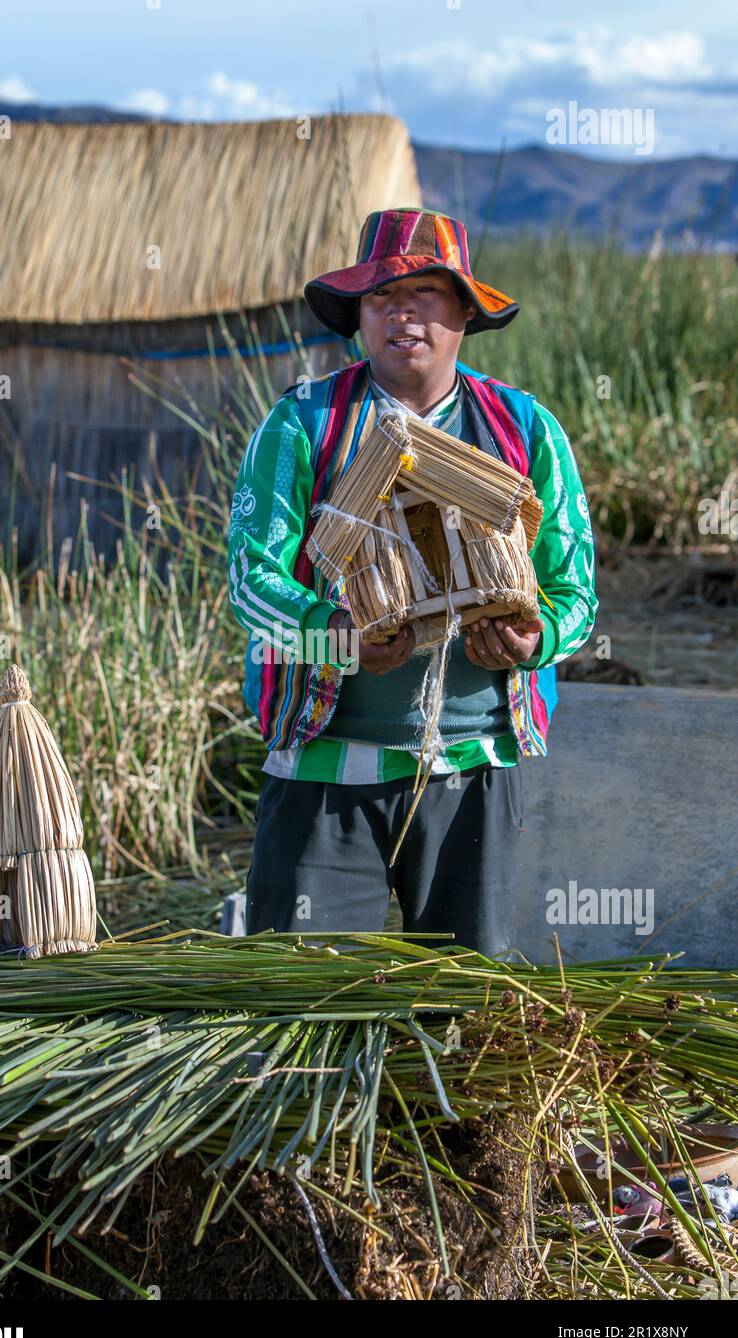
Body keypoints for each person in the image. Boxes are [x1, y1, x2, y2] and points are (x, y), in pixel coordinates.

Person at [226, 207, 598, 954]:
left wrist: (534, 638)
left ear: (465, 311)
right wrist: (338, 636)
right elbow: (250, 576)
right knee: (306, 1005)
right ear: (360, 318)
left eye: (426, 291)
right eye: (380, 296)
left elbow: (577, 593)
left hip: (473, 772)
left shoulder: (524, 429)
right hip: (325, 768)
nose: (402, 310)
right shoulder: (306, 423)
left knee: (463, 1016)